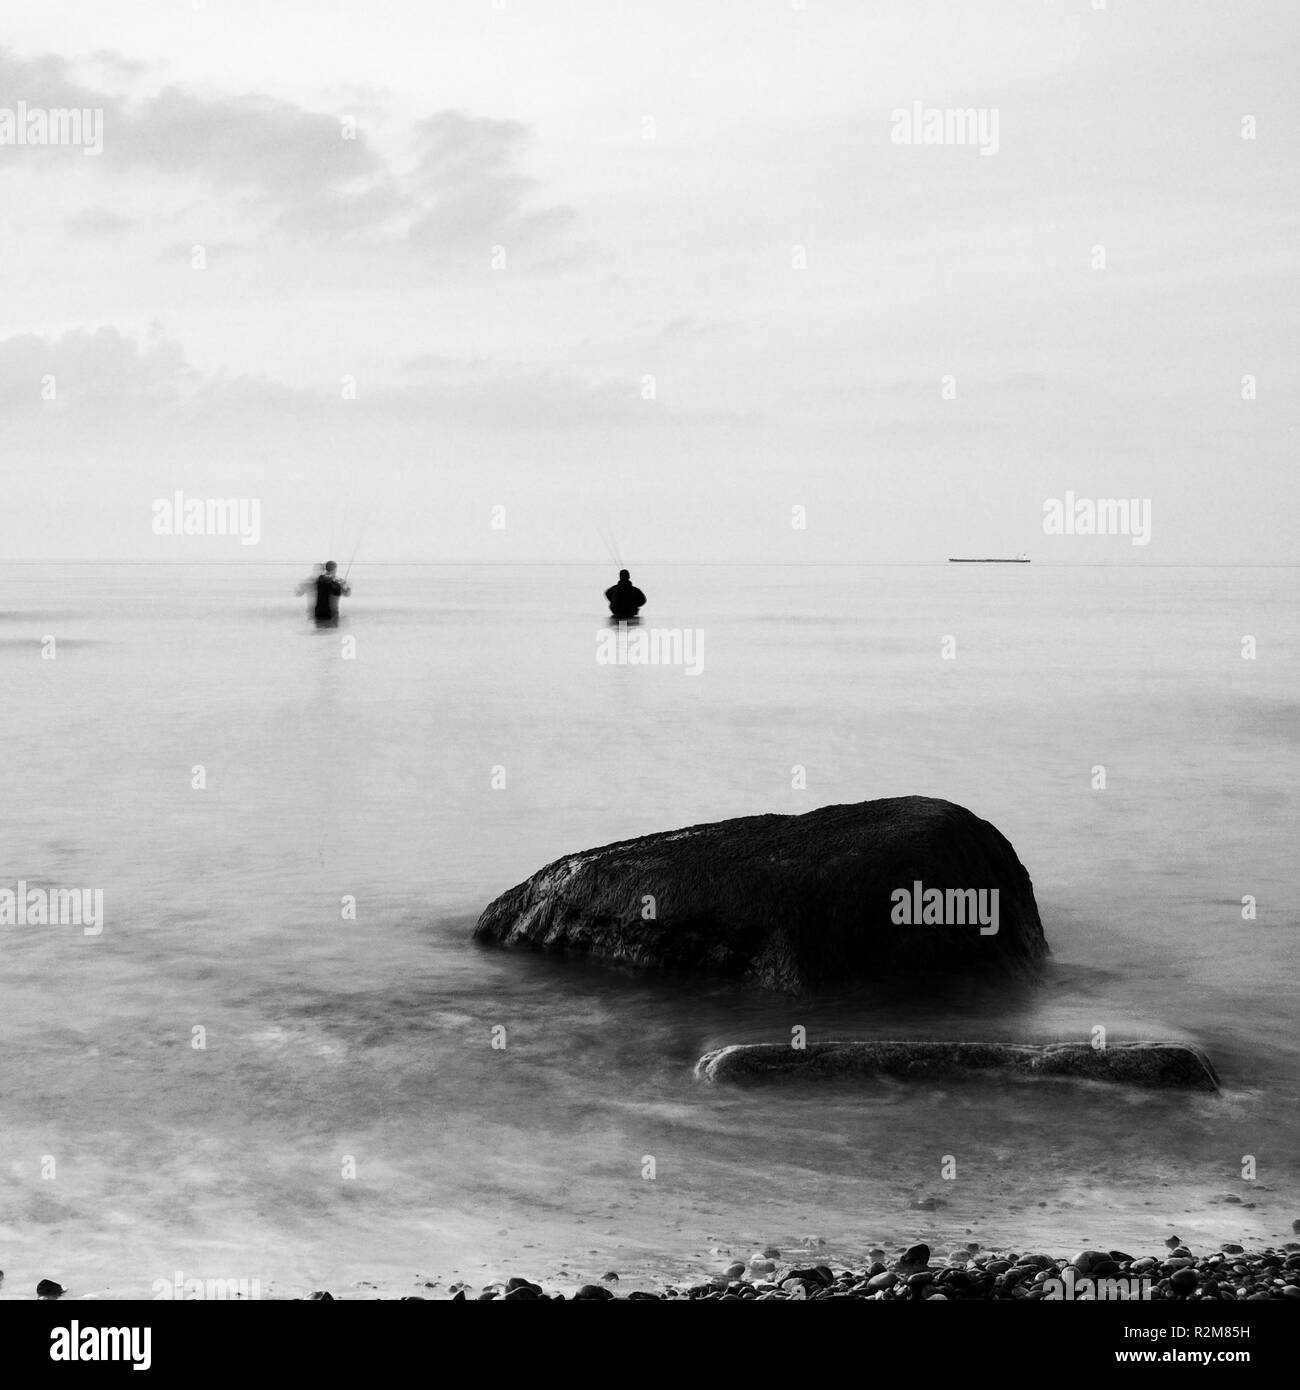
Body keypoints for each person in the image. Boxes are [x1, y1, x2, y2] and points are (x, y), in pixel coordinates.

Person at [309, 560, 350, 626]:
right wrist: (343, 585)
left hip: (319, 613)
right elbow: (346, 593)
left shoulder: (320, 579)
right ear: (335, 569)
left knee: (320, 633)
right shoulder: (336, 581)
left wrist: (341, 585)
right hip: (332, 615)